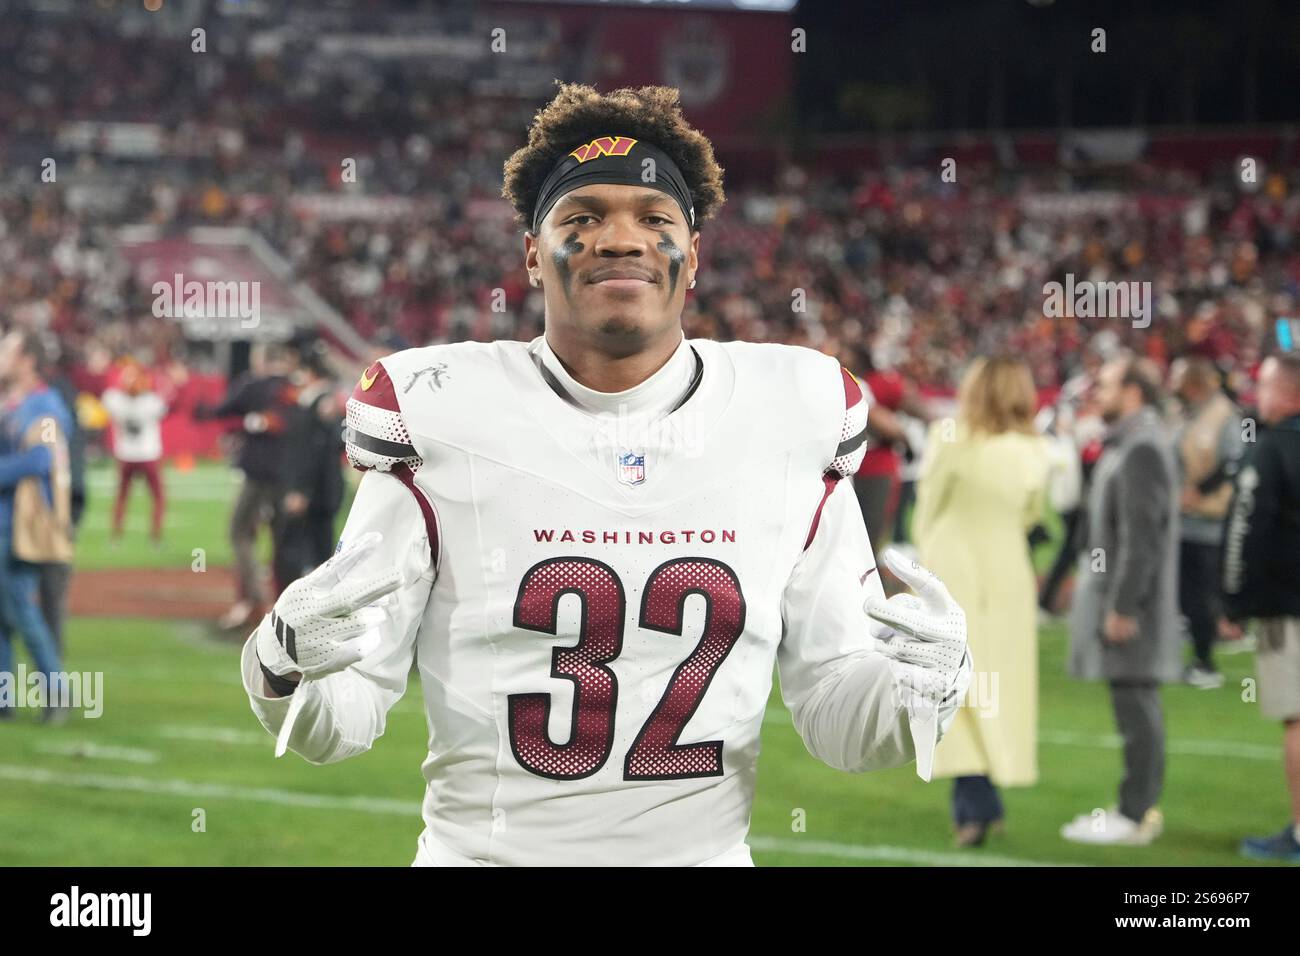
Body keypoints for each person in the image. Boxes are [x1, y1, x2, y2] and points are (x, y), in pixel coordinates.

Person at [239, 83, 973, 866]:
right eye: (582, 218)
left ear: (694, 255)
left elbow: (837, 714)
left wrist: (921, 687)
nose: (621, 239)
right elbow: (344, 714)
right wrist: (281, 662)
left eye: (655, 219)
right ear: (532, 254)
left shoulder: (792, 411)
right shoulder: (441, 411)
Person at [911, 356, 1049, 847]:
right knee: (999, 683)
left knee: (950, 684)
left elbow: (928, 504)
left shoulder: (950, 437)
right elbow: (1031, 514)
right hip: (1008, 572)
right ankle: (984, 797)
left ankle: (975, 805)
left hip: (952, 568)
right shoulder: (1036, 450)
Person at [1062, 353, 1180, 846]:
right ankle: (1135, 808)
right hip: (1120, 595)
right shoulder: (1132, 441)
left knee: (1136, 704)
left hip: (1131, 604)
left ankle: (1135, 814)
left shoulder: (1141, 447)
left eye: (1107, 385)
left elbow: (1141, 539)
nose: (1098, 393)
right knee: (1132, 702)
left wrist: (1124, 606)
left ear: (1133, 392)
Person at [1223, 353, 1300, 863]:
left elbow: (1245, 528)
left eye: (1266, 386)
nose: (1258, 395)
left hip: (1287, 605)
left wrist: (1234, 599)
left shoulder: (1271, 449)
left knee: (1297, 717)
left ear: (1288, 393)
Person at [0, 327, 74, 722]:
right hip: (5, 518)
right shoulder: (14, 402)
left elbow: (43, 459)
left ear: (27, 360)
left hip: (19, 525)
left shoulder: (44, 404)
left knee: (23, 612)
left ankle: (57, 694)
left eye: (7, 350)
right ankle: (3, 701)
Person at [196, 344, 298, 630]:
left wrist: (204, 409)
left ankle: (255, 598)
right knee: (282, 539)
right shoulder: (296, 388)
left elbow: (221, 410)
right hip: (289, 477)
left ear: (262, 360)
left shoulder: (254, 386)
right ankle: (287, 605)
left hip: (257, 473)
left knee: (240, 532)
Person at [1168, 356, 1243, 689]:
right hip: (1182, 518)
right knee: (1186, 592)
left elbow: (1234, 460)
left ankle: (1205, 662)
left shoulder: (1225, 415)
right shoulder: (1187, 413)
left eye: (1179, 380)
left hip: (1210, 519)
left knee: (1201, 592)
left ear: (1193, 383)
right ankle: (1197, 651)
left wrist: (1199, 491)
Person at [272, 347, 344, 591]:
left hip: (316, 492)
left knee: (312, 553)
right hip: (320, 489)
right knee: (315, 550)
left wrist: (301, 490)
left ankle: (313, 603)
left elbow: (312, 451)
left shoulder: (319, 402)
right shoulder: (324, 399)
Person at [102, 361, 169, 545]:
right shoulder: (152, 401)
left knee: (122, 496)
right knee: (158, 497)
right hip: (148, 454)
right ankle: (156, 537)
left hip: (126, 454)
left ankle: (115, 536)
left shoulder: (114, 399)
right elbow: (165, 406)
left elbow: (109, 398)